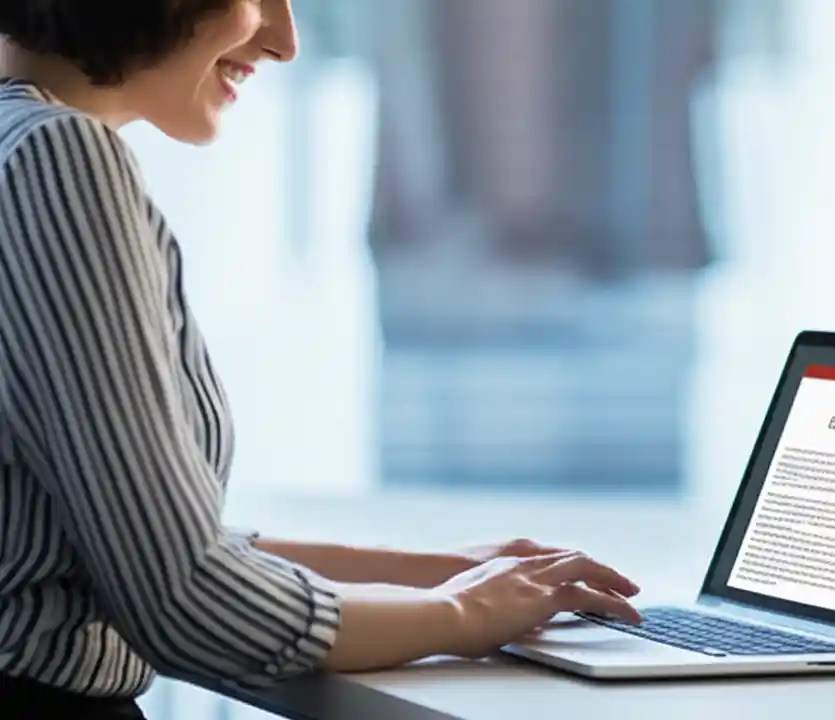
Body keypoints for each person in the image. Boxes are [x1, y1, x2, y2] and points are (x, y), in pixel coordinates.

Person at [0, 1, 643, 717]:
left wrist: (447, 572)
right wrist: (462, 615)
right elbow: (183, 597)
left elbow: (124, 539)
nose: (286, 42)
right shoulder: (58, 158)